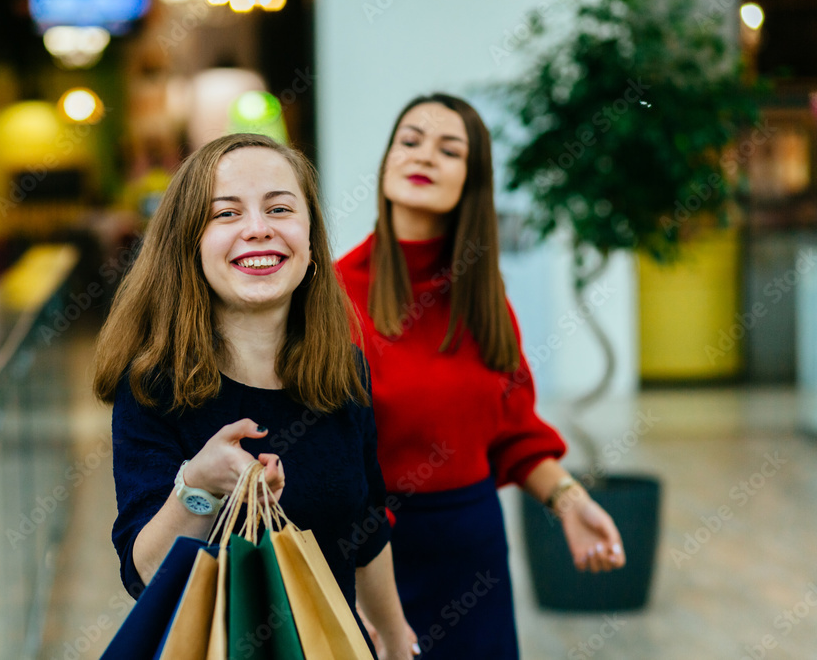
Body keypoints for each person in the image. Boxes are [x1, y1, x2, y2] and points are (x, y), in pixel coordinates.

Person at [92, 133, 415, 659]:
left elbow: (367, 526)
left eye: (280, 209)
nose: (258, 230)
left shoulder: (343, 370)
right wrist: (199, 485)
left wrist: (397, 642)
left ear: (310, 238)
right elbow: (145, 572)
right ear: (189, 245)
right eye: (226, 214)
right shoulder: (153, 386)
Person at [336, 94, 626, 658]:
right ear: (387, 160)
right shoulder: (333, 295)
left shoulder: (484, 299)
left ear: (473, 180)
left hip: (473, 553)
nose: (424, 157)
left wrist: (570, 501)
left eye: (450, 150)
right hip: (370, 556)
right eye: (410, 140)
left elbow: (514, 433)